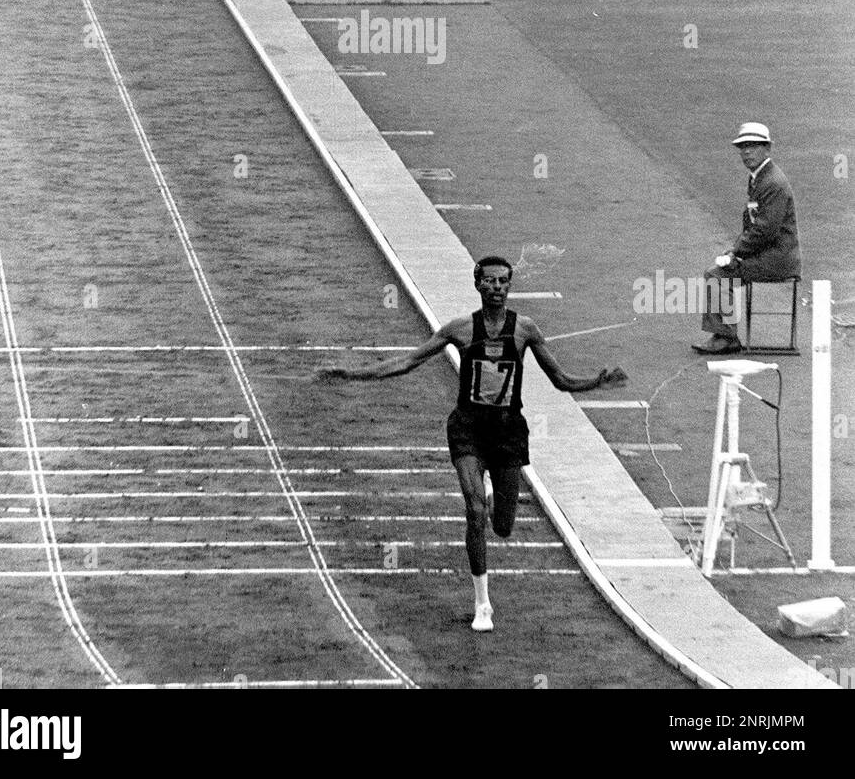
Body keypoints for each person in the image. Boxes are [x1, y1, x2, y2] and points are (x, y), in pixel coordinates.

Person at [315, 255, 626, 632]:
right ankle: (483, 605)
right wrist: (351, 374)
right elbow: (408, 362)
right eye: (489, 281)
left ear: (510, 286)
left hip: (508, 433)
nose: (496, 287)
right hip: (469, 430)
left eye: (503, 281)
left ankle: (492, 488)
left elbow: (560, 380)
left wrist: (597, 382)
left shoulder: (525, 330)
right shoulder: (460, 330)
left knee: (503, 527)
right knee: (475, 512)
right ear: (478, 284)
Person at [693, 123, 802, 355]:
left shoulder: (772, 182)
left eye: (753, 146)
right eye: (743, 147)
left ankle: (725, 337)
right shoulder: (760, 177)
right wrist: (737, 251)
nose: (747, 152)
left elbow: (765, 230)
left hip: (777, 260)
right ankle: (726, 335)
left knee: (717, 275)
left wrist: (736, 252)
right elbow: (755, 225)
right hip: (768, 254)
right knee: (720, 272)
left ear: (767, 148)